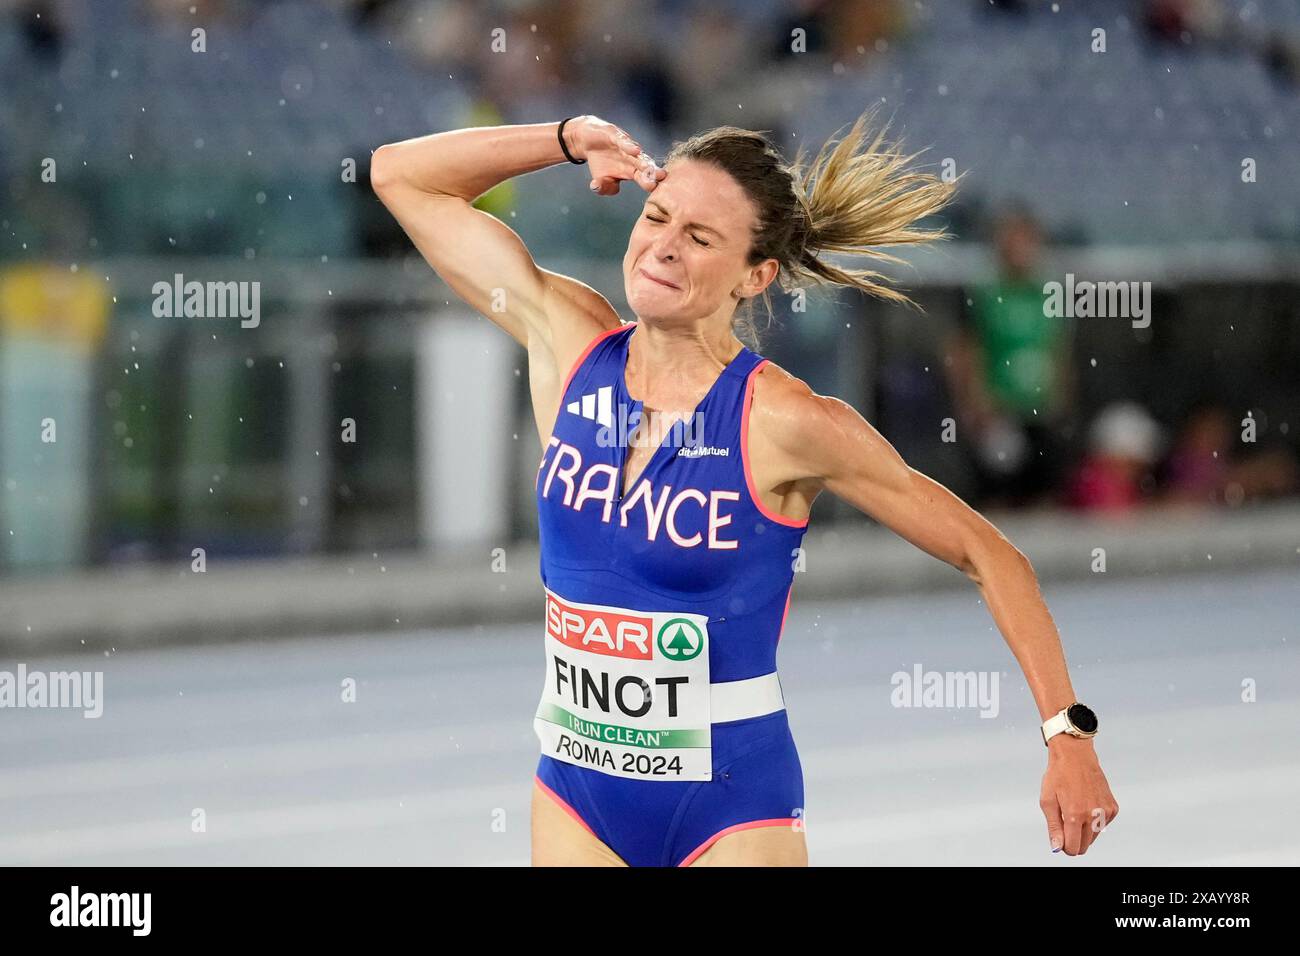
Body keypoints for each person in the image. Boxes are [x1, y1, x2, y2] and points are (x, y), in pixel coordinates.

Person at [370, 111, 1118, 866]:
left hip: (729, 810)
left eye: (700, 237)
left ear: (756, 276)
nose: (662, 246)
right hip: (575, 798)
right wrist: (567, 138)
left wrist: (1069, 734)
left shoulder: (786, 420)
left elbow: (988, 554)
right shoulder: (567, 344)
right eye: (657, 216)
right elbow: (399, 175)